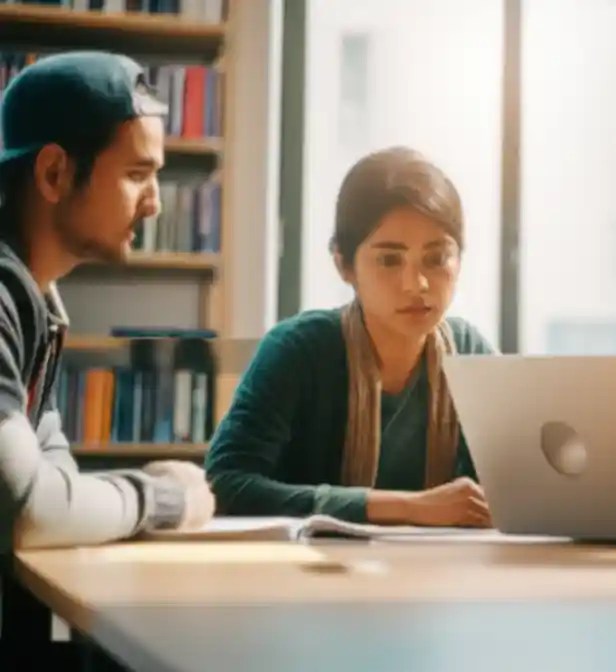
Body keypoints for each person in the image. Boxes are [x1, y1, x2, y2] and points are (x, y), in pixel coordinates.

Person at [206, 147, 496, 527]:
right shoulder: (298, 349)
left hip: (437, 573)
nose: (417, 284)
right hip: (309, 573)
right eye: (390, 260)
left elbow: (512, 484)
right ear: (344, 264)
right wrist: (408, 507)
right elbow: (224, 485)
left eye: (437, 257)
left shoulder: (470, 353)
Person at [0, 52, 214, 553]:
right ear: (53, 173)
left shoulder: (35, 303)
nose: (156, 202)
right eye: (137, 174)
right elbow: (26, 506)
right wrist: (164, 501)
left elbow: (55, 487)